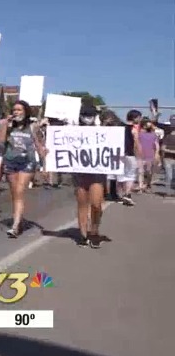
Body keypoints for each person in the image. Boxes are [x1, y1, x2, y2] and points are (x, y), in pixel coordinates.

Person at [0, 101, 46, 238]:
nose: (16, 112)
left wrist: (44, 166)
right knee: (15, 194)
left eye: (19, 109)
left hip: (27, 163)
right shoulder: (10, 126)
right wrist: (5, 125)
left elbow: (39, 146)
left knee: (19, 191)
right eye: (14, 110)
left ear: (26, 111)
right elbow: (0, 142)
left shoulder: (32, 127)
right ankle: (18, 218)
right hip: (11, 162)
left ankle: (15, 225)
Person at [72, 103, 106, 248]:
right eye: (85, 115)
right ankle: (83, 234)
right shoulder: (72, 131)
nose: (87, 118)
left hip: (97, 173)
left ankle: (94, 231)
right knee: (82, 204)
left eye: (90, 115)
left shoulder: (102, 132)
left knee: (96, 204)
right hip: (80, 173)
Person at [117, 110, 143, 206]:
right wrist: (139, 153)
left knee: (120, 175)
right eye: (139, 117)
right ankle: (127, 194)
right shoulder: (133, 129)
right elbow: (136, 143)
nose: (140, 119)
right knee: (130, 175)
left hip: (119, 154)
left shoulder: (119, 127)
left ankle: (119, 196)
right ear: (135, 118)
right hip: (130, 154)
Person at [137, 118, 159, 193]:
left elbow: (157, 145)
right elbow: (137, 144)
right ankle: (140, 187)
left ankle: (148, 184)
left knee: (148, 172)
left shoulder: (154, 135)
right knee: (141, 172)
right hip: (140, 155)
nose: (150, 125)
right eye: (148, 123)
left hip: (150, 155)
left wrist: (157, 153)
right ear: (143, 125)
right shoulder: (139, 134)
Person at [161, 125, 175, 197]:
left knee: (169, 176)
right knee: (169, 176)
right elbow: (163, 148)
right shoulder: (168, 137)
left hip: (168, 158)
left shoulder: (167, 137)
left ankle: (169, 192)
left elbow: (163, 148)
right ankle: (168, 192)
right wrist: (172, 151)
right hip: (168, 159)